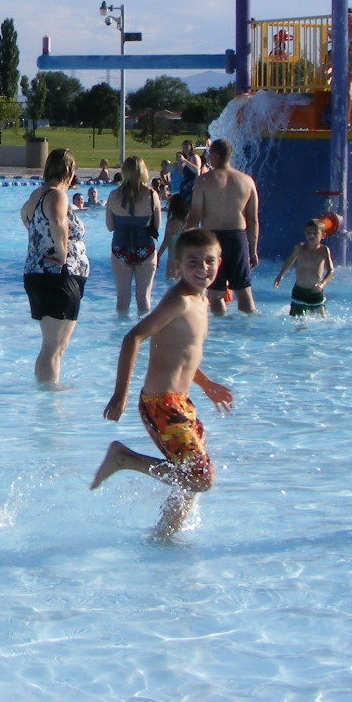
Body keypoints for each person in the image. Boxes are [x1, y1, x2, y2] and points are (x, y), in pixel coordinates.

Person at [90, 228, 235, 536]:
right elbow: (134, 337)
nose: (202, 268)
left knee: (187, 477)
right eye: (193, 262)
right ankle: (124, 458)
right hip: (162, 405)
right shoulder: (180, 302)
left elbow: (181, 355)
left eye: (209, 261)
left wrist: (206, 384)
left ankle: (164, 536)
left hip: (180, 403)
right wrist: (120, 394)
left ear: (219, 262)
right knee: (201, 479)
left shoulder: (201, 301)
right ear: (178, 265)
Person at [20, 147, 89, 387]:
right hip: (58, 276)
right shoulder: (57, 195)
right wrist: (62, 252)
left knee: (56, 344)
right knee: (53, 345)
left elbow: (25, 218)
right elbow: (59, 221)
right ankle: (49, 399)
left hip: (39, 274)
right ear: (69, 171)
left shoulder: (36, 195)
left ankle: (47, 391)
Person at [185, 139, 259, 315]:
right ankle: (249, 328)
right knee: (244, 290)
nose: (208, 157)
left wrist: (186, 244)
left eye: (209, 154)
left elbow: (195, 216)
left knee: (215, 293)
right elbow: (253, 220)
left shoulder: (203, 181)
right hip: (237, 238)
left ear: (216, 155)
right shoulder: (247, 181)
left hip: (212, 240)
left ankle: (222, 333)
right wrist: (253, 250)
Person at [107, 156, 162, 316]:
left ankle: (120, 337)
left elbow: (110, 227)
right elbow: (156, 226)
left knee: (122, 299)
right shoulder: (152, 195)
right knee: (144, 299)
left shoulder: (114, 195)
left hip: (120, 248)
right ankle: (144, 337)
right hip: (145, 248)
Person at [273, 219, 336, 318]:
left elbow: (331, 270)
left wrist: (322, 283)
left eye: (315, 233)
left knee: (322, 321)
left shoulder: (324, 251)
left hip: (316, 291)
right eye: (309, 233)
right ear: (305, 233)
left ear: (323, 235)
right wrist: (280, 275)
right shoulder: (299, 248)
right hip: (299, 291)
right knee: (297, 323)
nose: (311, 235)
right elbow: (290, 261)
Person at [157, 193, 191, 283]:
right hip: (186, 259)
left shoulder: (171, 223)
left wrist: (157, 256)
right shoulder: (189, 223)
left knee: (170, 282)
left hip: (172, 259)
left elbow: (165, 242)